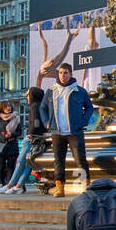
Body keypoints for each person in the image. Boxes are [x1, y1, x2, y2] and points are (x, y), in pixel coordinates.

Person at [41, 63, 93, 198]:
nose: (63, 76)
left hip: (74, 131)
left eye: (66, 73)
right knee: (58, 160)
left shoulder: (79, 91)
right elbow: (42, 108)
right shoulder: (51, 91)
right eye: (61, 73)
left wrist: (83, 121)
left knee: (80, 159)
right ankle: (60, 188)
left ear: (70, 74)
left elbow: (89, 107)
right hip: (57, 131)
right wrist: (47, 122)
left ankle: (85, 185)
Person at [0, 87, 46, 194]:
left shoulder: (33, 106)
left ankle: (10, 184)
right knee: (28, 163)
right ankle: (18, 185)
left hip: (31, 138)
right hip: (40, 138)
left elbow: (35, 123)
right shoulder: (41, 105)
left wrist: (29, 135)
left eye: (28, 95)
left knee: (20, 161)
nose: (27, 97)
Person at [0, 101, 23, 185]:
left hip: (12, 144)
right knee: (1, 167)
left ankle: (10, 184)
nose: (8, 108)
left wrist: (11, 134)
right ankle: (2, 182)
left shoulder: (16, 118)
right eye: (6, 107)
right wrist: (3, 136)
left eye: (9, 106)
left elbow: (20, 132)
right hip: (0, 145)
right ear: (2, 108)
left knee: (11, 167)